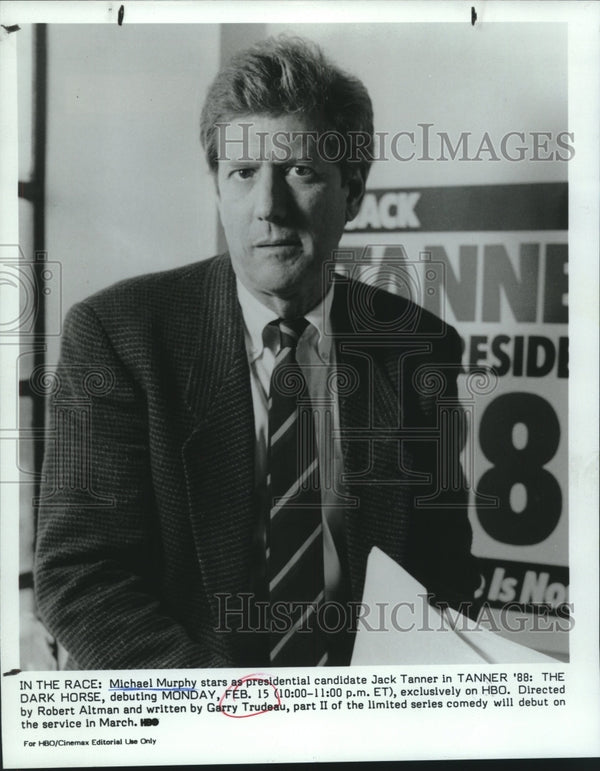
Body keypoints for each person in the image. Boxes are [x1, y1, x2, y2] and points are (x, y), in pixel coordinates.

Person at [34, 36, 481, 669]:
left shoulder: (418, 346)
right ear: (218, 188)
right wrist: (236, 713)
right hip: (191, 705)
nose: (268, 208)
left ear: (352, 191)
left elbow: (443, 569)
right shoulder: (118, 336)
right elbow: (79, 575)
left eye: (300, 171)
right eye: (243, 173)